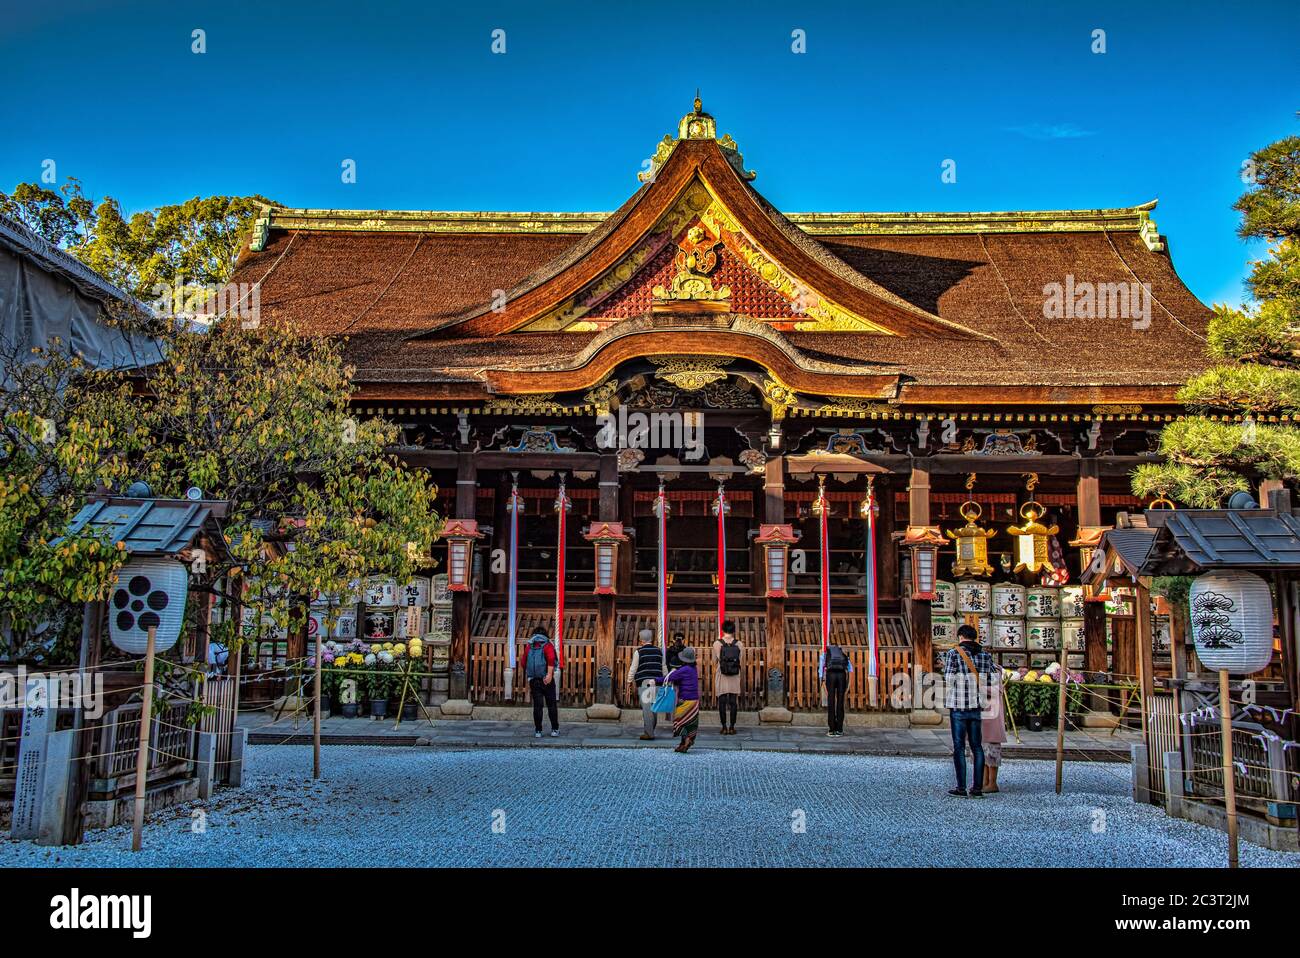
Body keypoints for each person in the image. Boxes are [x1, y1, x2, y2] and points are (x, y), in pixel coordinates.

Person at [941, 623, 998, 796]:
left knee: (959, 746)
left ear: (960, 637)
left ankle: (961, 787)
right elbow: (991, 678)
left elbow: (949, 679)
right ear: (974, 637)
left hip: (958, 705)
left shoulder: (953, 653)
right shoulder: (985, 655)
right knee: (977, 746)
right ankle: (977, 788)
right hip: (977, 705)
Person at [657, 646, 700, 753]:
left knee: (679, 721)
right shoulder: (693, 669)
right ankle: (683, 743)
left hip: (685, 700)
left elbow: (668, 678)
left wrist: (655, 680)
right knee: (689, 723)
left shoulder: (684, 670)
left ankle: (686, 741)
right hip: (695, 700)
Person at [626, 628, 665, 740]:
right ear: (651, 639)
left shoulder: (639, 652)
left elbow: (633, 668)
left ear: (641, 640)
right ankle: (651, 730)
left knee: (647, 709)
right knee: (654, 707)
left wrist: (629, 681)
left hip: (645, 682)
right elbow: (663, 667)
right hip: (657, 682)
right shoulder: (658, 651)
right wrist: (666, 680)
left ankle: (649, 733)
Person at [520, 627, 559, 738]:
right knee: (551, 705)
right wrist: (549, 675)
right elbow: (551, 659)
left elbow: (523, 662)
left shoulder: (530, 645)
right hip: (547, 679)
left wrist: (530, 675)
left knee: (538, 706)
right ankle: (554, 729)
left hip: (534, 679)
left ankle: (538, 731)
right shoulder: (547, 644)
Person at [819, 642, 854, 736]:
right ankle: (839, 729)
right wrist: (849, 684)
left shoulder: (825, 655)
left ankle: (831, 729)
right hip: (841, 676)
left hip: (830, 676)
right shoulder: (843, 655)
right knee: (840, 702)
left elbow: (821, 670)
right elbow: (850, 669)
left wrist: (823, 683)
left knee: (831, 702)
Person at [713, 620, 741, 735]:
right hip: (734, 674)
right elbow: (741, 660)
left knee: (722, 701)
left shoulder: (717, 643)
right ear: (733, 630)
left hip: (722, 674)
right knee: (733, 702)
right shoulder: (739, 644)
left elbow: (715, 660)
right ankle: (732, 727)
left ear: (723, 630)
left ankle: (724, 727)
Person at [982, 666, 1007, 793]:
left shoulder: (994, 669)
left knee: (992, 749)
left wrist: (978, 687)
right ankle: (984, 780)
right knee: (982, 749)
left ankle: (992, 782)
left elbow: (996, 690)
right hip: (982, 713)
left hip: (992, 714)